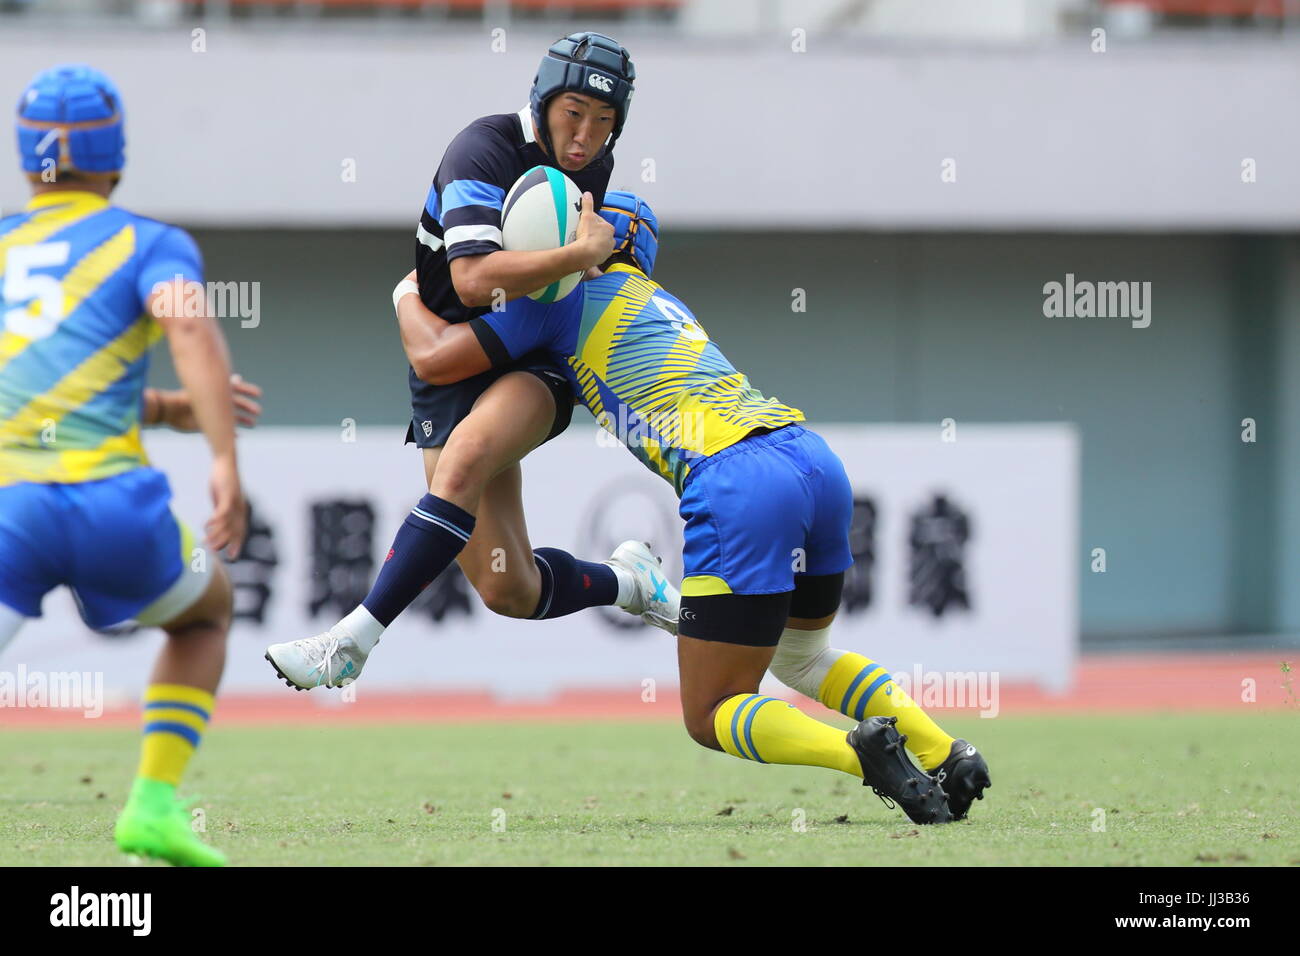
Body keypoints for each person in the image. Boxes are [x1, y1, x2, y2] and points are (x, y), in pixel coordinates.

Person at [382, 192, 993, 824]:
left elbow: (437, 355)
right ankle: (946, 750)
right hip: (811, 459)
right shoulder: (659, 300)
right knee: (806, 656)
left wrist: (406, 290)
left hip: (737, 482)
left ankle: (860, 756)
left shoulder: (559, 302)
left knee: (711, 711)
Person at [267, 33, 677, 691]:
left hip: (531, 353)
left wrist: (578, 269)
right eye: (574, 113)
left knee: (461, 460)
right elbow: (470, 281)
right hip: (463, 346)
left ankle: (351, 641)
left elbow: (529, 289)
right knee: (505, 585)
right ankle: (630, 581)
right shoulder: (480, 149)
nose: (585, 138)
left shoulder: (592, 173)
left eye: (604, 123)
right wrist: (411, 293)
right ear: (543, 100)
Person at [0, 64, 261, 865]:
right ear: (114, 156)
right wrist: (222, 456)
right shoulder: (151, 244)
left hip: (9, 511)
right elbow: (191, 334)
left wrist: (154, 407)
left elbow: (35, 370)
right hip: (115, 506)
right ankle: (151, 805)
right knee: (206, 612)